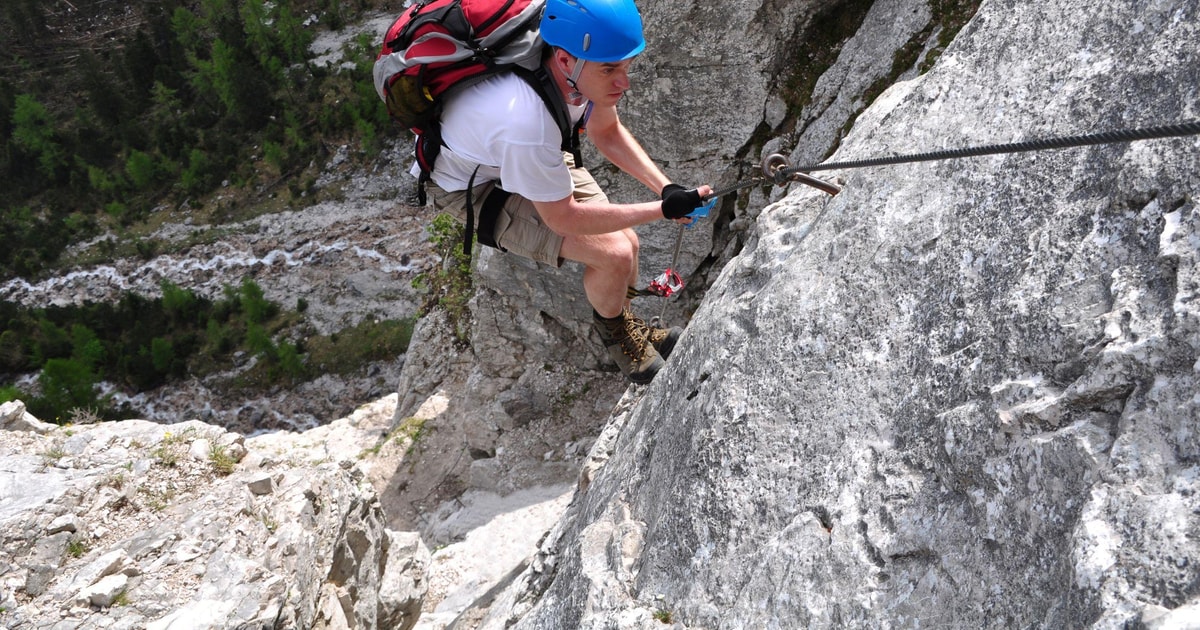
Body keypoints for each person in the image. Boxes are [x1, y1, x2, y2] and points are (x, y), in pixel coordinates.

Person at [420, 0, 713, 383]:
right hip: (473, 188)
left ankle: (626, 324)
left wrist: (667, 188)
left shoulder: (576, 69)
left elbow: (605, 131)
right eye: (610, 69)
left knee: (629, 244)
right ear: (563, 61)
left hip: (517, 155)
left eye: (626, 66)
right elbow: (563, 218)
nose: (623, 82)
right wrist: (663, 208)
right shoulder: (526, 122)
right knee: (614, 253)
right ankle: (618, 337)